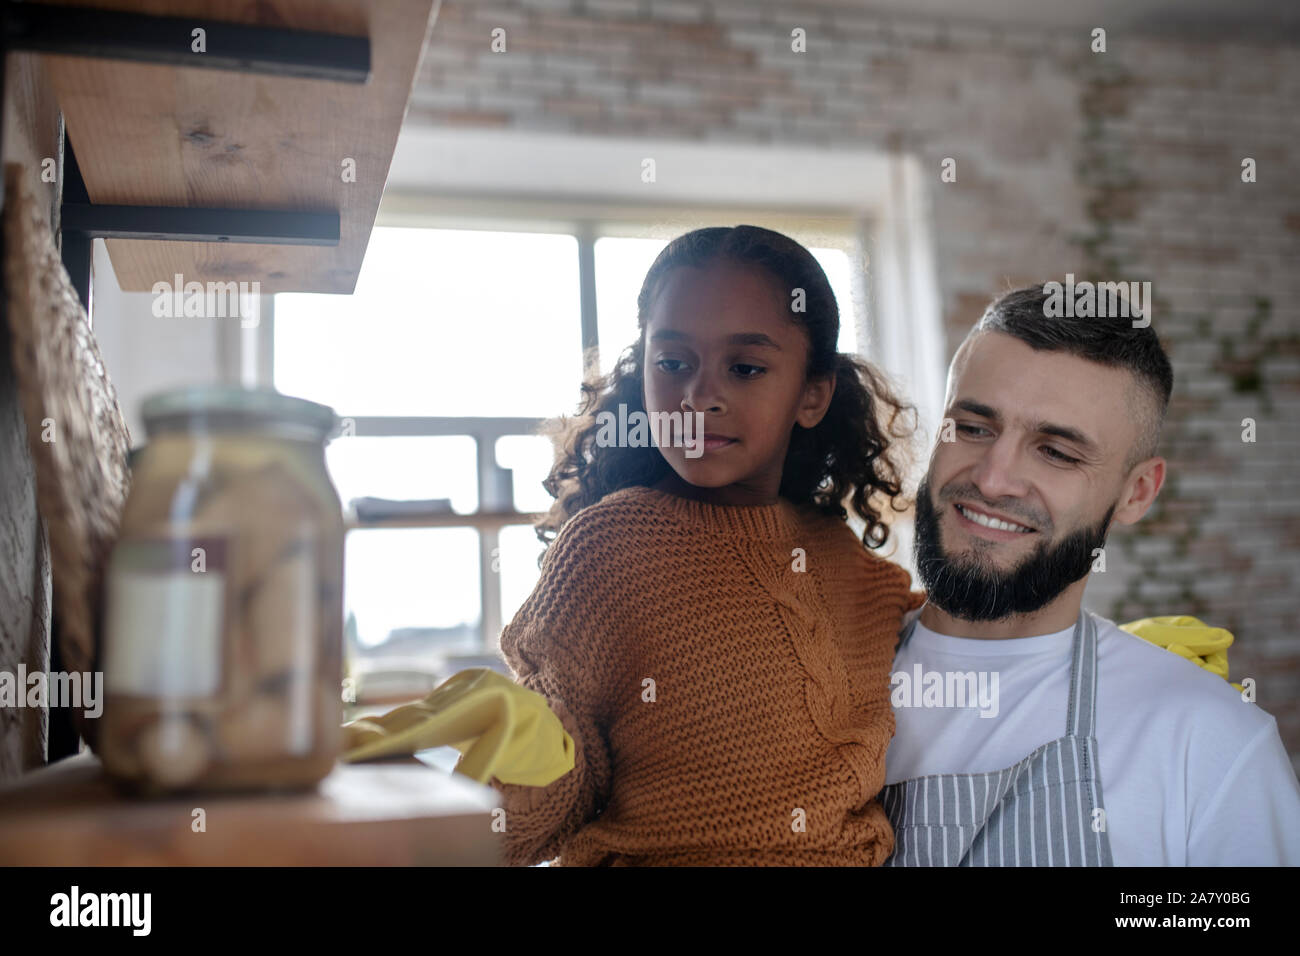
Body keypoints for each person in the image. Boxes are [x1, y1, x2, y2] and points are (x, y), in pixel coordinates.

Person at [493, 225, 920, 865]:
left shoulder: (865, 580)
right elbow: (551, 784)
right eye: (672, 364)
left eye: (745, 368)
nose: (699, 398)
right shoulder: (610, 548)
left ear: (813, 394)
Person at [881, 284, 1300, 865]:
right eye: (974, 427)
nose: (994, 479)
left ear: (1136, 492)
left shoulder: (1209, 741)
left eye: (1056, 451)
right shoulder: (816, 680)